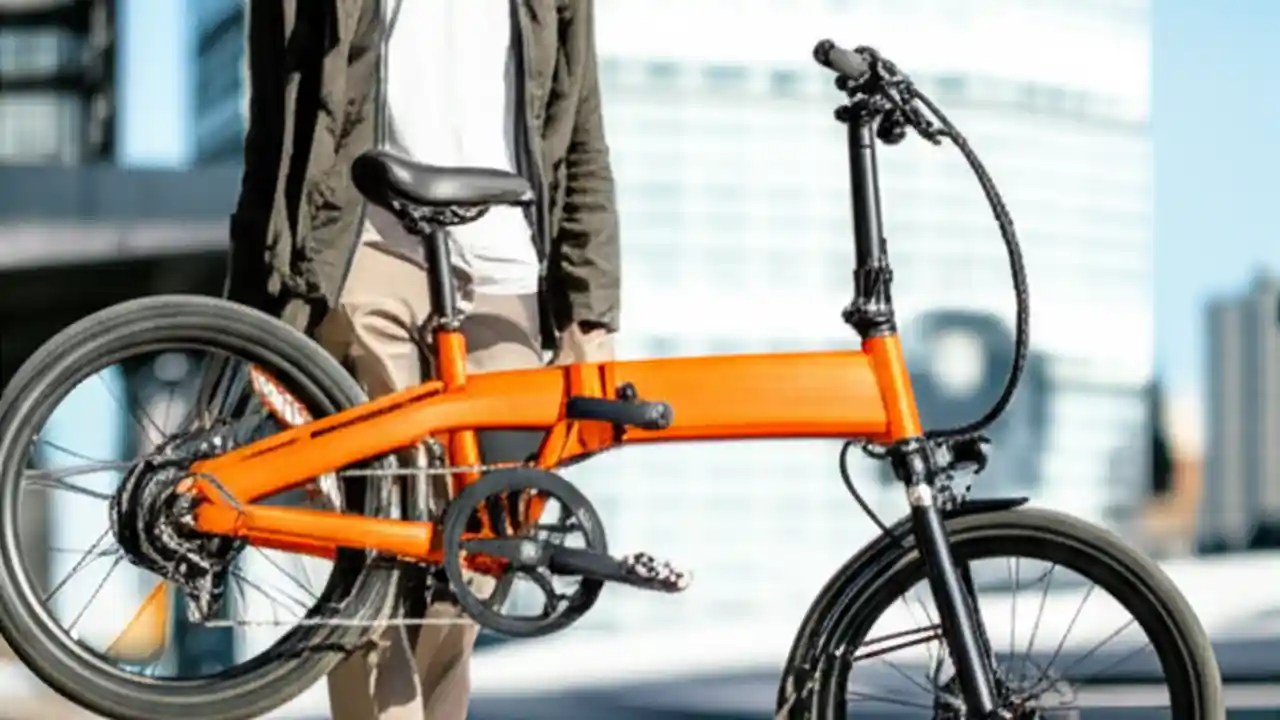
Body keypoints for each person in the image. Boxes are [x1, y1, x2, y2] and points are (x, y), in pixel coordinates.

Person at [223, 1, 621, 718]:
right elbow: (276, 128)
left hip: (507, 269)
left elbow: (580, 119)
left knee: (478, 550)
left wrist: (589, 309)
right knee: (377, 539)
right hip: (366, 249)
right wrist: (256, 317)